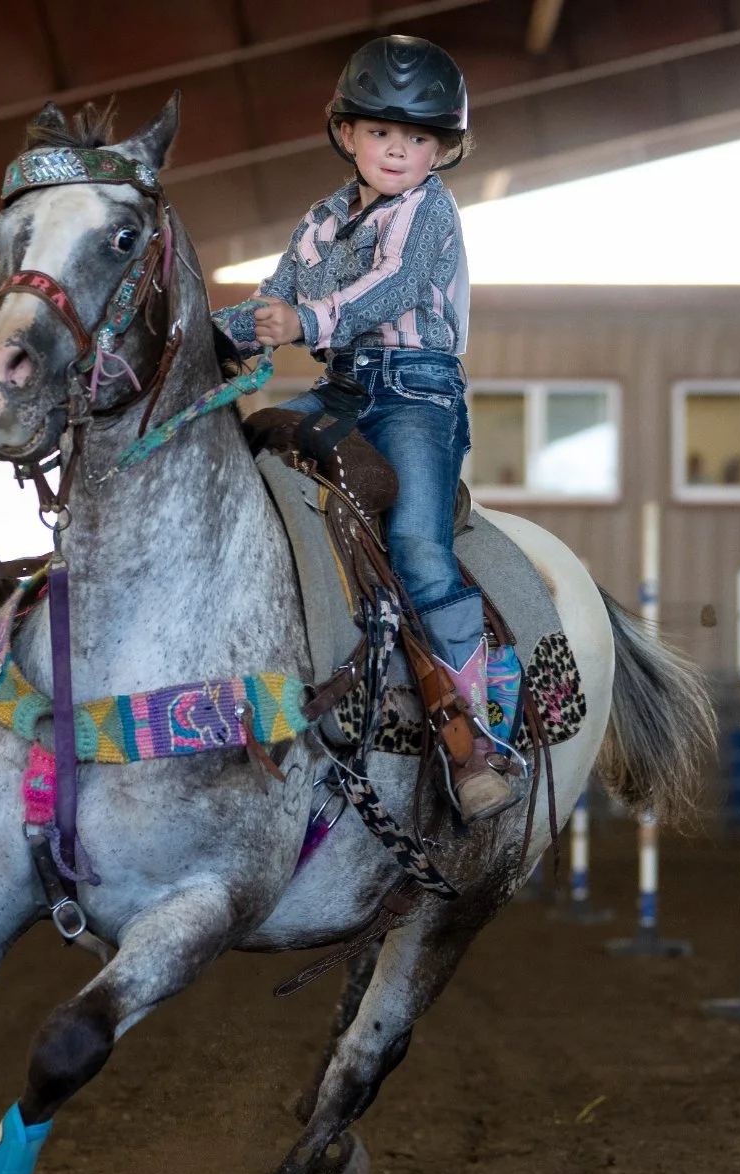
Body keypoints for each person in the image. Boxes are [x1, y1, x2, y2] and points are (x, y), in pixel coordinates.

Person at [213, 35, 516, 823]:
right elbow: (272, 296)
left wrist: (302, 318)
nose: (398, 150)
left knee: (418, 544)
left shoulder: (430, 214)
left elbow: (389, 289)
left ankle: (476, 730)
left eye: (419, 138)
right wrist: (204, 336)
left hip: (419, 396)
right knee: (247, 470)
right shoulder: (320, 221)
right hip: (345, 388)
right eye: (382, 132)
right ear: (346, 134)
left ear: (441, 151)